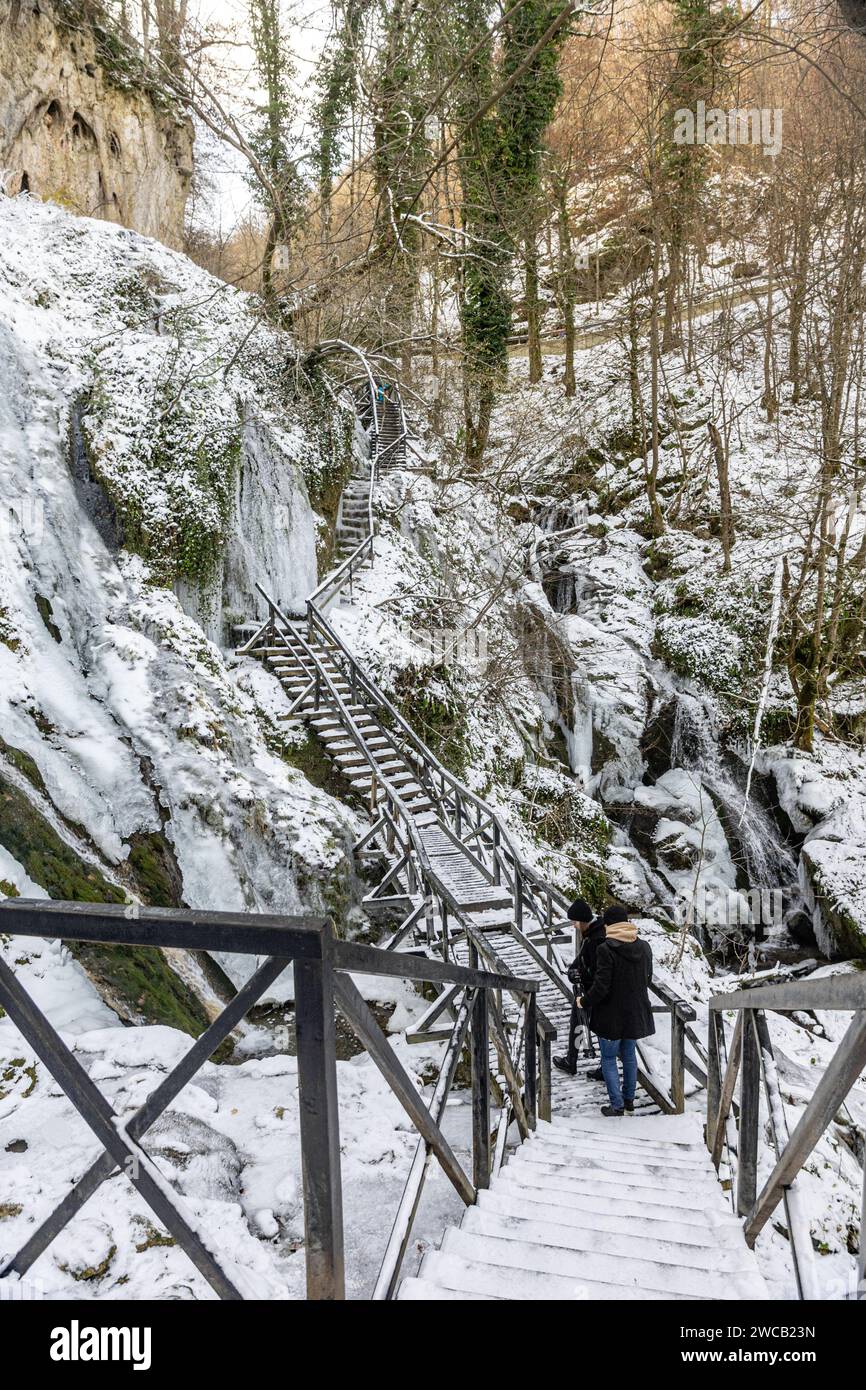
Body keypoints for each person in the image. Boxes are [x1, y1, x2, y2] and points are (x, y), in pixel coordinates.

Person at [576, 905, 654, 1117]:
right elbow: (647, 978)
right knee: (629, 1056)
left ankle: (616, 1105)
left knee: (609, 1059)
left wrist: (583, 1000)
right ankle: (629, 1101)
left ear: (609, 925)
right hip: (634, 1013)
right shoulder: (644, 947)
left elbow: (601, 986)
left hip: (610, 1015)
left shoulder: (605, 949)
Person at [553, 898, 604, 1078]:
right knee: (584, 1022)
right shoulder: (592, 933)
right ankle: (574, 1060)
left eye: (575, 922)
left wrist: (583, 975)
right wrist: (572, 972)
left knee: (584, 1023)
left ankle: (572, 1061)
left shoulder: (598, 938)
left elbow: (599, 968)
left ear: (582, 921)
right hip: (591, 988)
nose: (574, 926)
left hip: (594, 990)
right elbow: (580, 961)